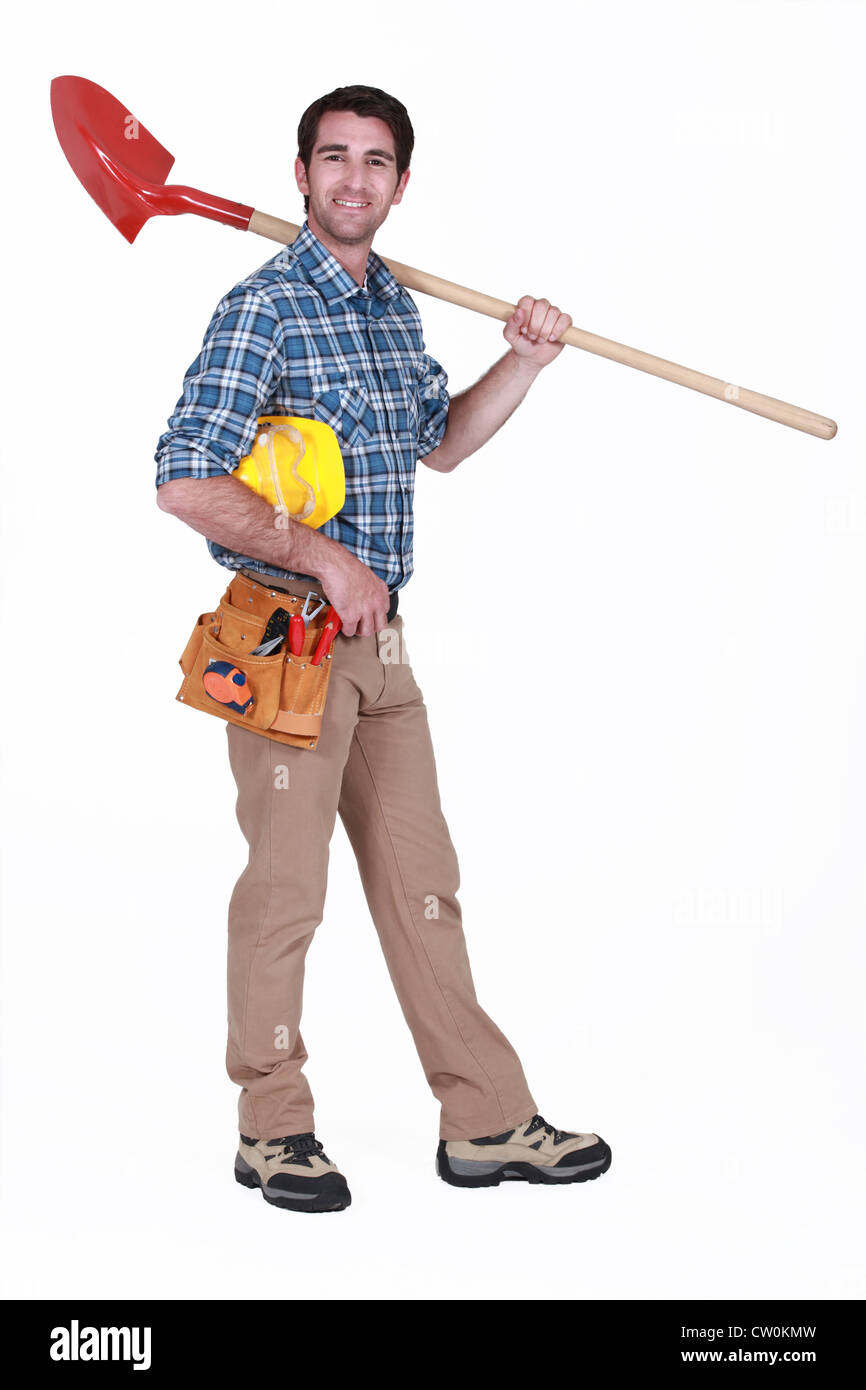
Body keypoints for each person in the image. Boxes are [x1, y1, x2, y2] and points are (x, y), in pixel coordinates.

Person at [154, 84, 612, 1214]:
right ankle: (272, 1128)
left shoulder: (394, 307)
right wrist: (320, 557)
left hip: (383, 646)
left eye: (375, 162)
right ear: (299, 176)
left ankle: (486, 1119)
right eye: (333, 158)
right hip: (287, 643)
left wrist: (525, 361)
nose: (354, 179)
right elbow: (183, 478)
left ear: (401, 183)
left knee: (423, 887)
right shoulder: (260, 308)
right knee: (284, 892)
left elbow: (441, 443)